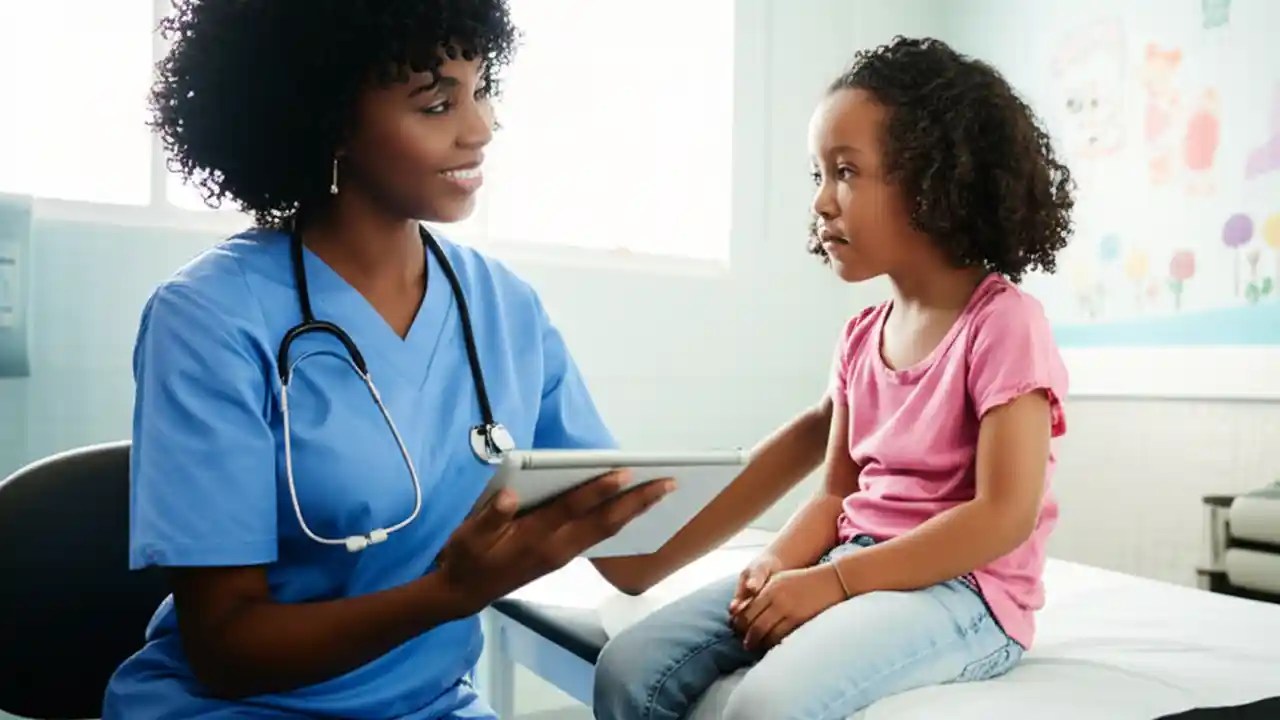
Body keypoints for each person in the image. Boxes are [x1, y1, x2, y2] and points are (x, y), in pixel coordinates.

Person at [102, 2, 831, 718]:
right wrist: (447, 594)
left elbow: (631, 550)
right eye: (435, 103)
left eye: (481, 90)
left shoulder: (504, 309)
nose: (479, 129)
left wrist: (831, 424)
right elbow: (226, 649)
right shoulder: (210, 317)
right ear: (330, 117)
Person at [594, 36, 1074, 720]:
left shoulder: (1005, 325)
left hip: (965, 592)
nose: (821, 202)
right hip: (857, 559)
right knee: (628, 668)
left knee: (765, 705)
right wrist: (780, 562)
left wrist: (840, 582)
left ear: (935, 180)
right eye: (816, 175)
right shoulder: (858, 339)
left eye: (845, 172)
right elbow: (836, 493)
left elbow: (1003, 516)